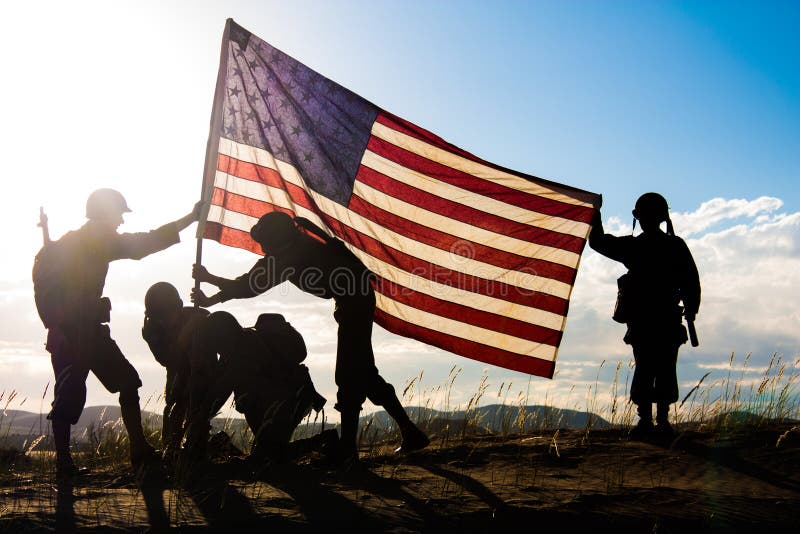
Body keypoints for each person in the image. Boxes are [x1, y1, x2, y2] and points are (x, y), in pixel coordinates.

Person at [191, 211, 429, 461]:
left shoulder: (289, 255)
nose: (262, 248)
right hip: (352, 300)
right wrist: (212, 295)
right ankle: (410, 433)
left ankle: (349, 448)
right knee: (365, 373)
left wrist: (210, 280)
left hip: (354, 303)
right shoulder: (289, 249)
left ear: (275, 239)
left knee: (349, 374)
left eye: (264, 242)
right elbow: (250, 282)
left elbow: (250, 285)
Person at [33, 188, 201, 479]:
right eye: (118, 215)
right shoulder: (72, 246)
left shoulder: (96, 242)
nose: (120, 222)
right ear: (103, 215)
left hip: (90, 330)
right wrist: (55, 326)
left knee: (127, 381)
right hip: (70, 334)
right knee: (68, 397)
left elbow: (143, 243)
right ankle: (63, 464)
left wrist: (189, 219)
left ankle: (138, 450)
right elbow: (45, 287)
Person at [589, 193, 701, 437]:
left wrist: (595, 213)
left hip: (645, 322)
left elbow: (597, 241)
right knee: (664, 368)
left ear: (638, 216)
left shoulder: (635, 247)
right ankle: (660, 421)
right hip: (666, 320)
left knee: (646, 367)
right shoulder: (675, 245)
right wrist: (691, 308)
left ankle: (648, 421)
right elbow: (692, 281)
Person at [194, 311, 332, 465]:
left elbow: (222, 389)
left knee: (271, 455)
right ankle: (321, 442)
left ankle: (324, 441)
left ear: (223, 335)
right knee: (268, 454)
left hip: (290, 399)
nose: (217, 350)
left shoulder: (245, 350)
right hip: (280, 401)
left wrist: (199, 418)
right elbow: (218, 384)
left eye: (216, 343)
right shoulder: (235, 349)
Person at [141, 282, 216, 459]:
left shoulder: (197, 316)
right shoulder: (151, 330)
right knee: (174, 406)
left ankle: (197, 445)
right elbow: (167, 359)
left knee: (199, 411)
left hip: (204, 372)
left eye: (167, 315)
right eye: (158, 317)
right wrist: (188, 331)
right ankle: (171, 449)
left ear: (178, 307)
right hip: (178, 373)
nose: (163, 321)